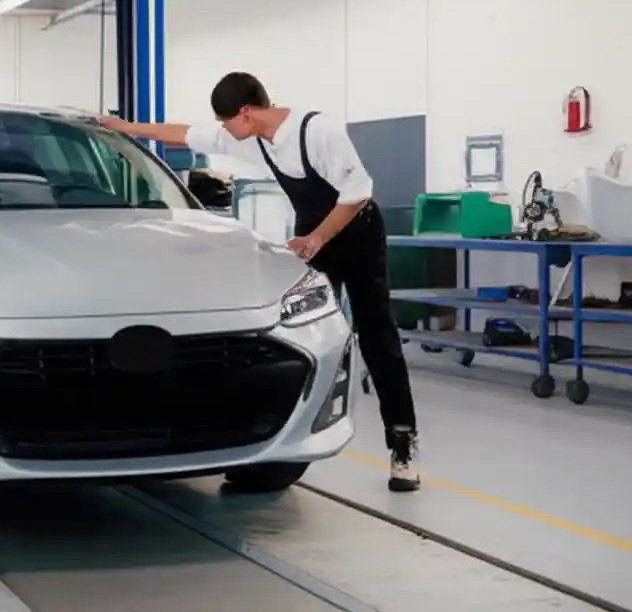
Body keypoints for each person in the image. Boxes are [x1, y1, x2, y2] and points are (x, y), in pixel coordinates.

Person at [99, 71, 421, 492]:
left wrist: (316, 239)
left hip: (355, 234)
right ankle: (285, 436)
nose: (224, 131)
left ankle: (403, 446)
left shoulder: (318, 130)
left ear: (247, 113)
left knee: (377, 336)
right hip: (311, 236)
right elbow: (186, 135)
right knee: (307, 334)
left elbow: (357, 192)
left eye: (227, 121)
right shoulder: (251, 138)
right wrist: (127, 129)